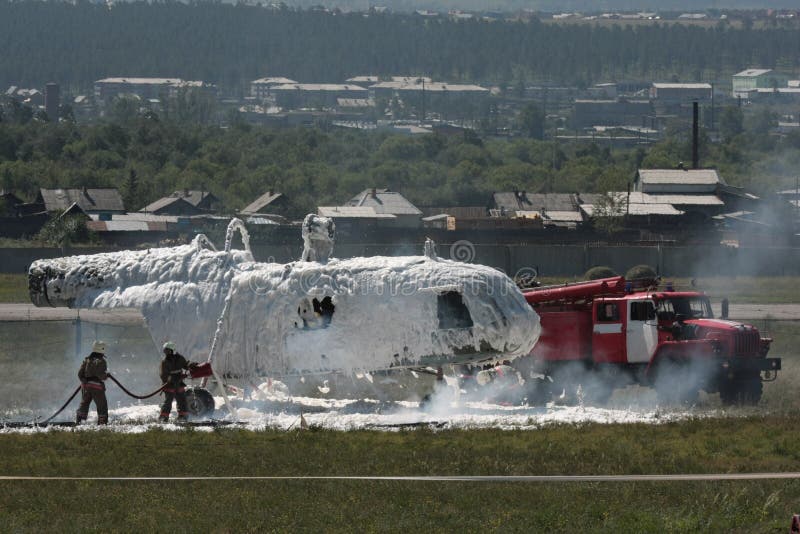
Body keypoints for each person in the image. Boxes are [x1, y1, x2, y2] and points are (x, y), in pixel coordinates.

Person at [159, 341, 197, 422]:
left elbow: (186, 366)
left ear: (172, 350)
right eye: (165, 351)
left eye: (168, 351)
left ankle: (183, 417)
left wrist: (192, 365)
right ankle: (163, 418)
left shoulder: (180, 358)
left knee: (182, 400)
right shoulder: (164, 362)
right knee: (168, 401)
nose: (166, 353)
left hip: (179, 383)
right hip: (170, 385)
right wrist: (168, 379)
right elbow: (163, 375)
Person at [76, 341, 109, 425]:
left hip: (86, 387)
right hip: (97, 387)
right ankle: (102, 424)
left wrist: (84, 381)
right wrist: (106, 375)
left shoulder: (87, 360)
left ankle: (79, 422)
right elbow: (100, 375)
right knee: (102, 406)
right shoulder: (101, 361)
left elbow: (80, 374)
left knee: (84, 404)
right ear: (103, 349)